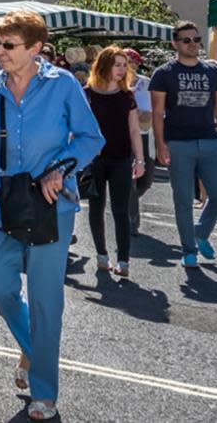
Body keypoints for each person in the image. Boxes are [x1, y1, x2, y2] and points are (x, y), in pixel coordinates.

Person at [0, 11, 104, 422]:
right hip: (1, 204)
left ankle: (44, 392)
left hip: (52, 206)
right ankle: (33, 349)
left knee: (45, 300)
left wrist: (62, 168)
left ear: (35, 48)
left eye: (8, 45)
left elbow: (92, 137)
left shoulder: (63, 86)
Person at [150, 21, 217, 267]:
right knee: (183, 199)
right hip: (178, 143)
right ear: (175, 43)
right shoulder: (164, 73)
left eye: (196, 40)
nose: (193, 44)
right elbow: (157, 113)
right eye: (186, 40)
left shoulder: (212, 72)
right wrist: (160, 144)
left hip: (210, 140)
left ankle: (200, 233)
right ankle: (189, 250)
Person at [84, 46, 145, 277]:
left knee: (120, 210)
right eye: (116, 64)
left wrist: (140, 160)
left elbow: (134, 129)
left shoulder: (126, 95)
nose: (121, 69)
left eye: (124, 65)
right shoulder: (86, 93)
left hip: (121, 158)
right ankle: (101, 255)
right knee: (96, 208)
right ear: (104, 66)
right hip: (94, 161)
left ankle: (124, 260)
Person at [123, 48, 154, 236]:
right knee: (131, 182)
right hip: (124, 137)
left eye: (132, 63)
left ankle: (127, 203)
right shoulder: (116, 84)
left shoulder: (146, 83)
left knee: (146, 181)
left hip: (145, 135)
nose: (129, 66)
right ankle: (131, 221)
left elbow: (155, 110)